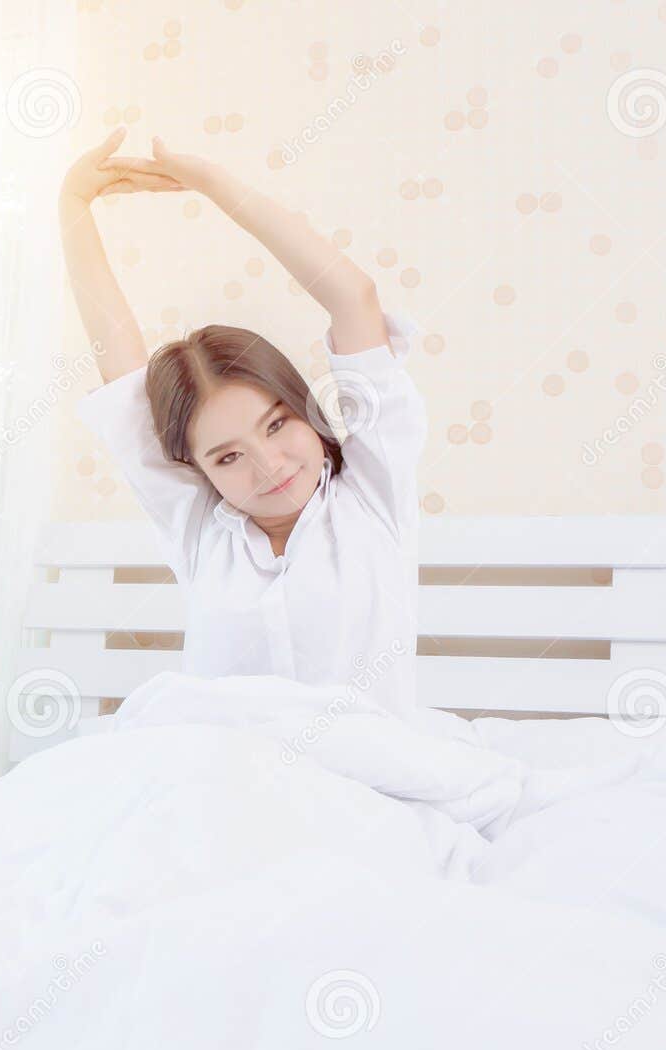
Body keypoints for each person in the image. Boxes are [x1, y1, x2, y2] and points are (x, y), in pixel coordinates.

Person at [60, 128, 427, 722]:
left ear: (305, 409)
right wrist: (73, 208)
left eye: (277, 425)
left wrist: (212, 185)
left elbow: (353, 296)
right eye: (227, 457)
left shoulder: (372, 497)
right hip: (227, 789)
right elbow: (119, 371)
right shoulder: (203, 531)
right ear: (194, 468)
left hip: (358, 792)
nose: (268, 465)